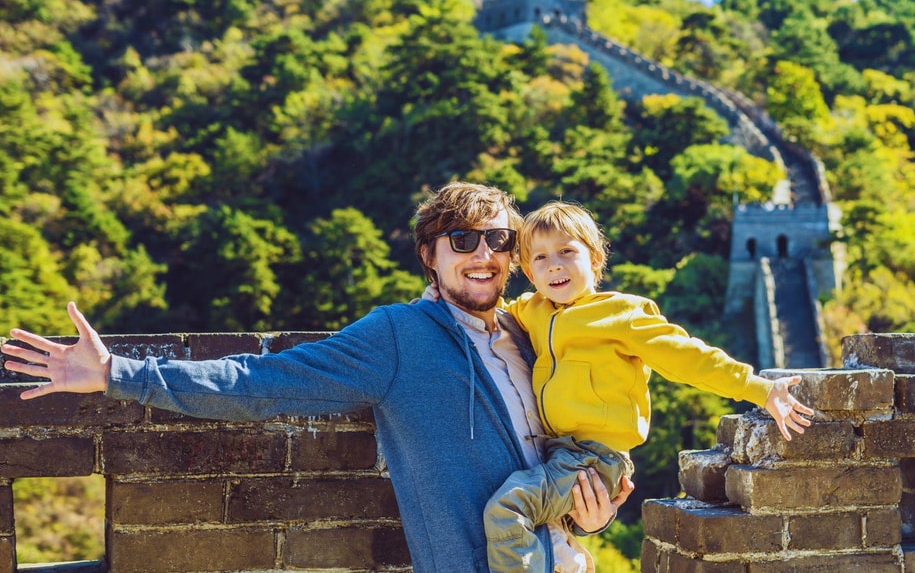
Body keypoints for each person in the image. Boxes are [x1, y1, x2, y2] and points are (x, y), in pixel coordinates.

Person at [2, 183, 632, 573]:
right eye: (461, 239)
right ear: (428, 256)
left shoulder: (528, 334)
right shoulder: (398, 337)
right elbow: (259, 381)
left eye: (499, 239)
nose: (483, 254)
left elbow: (549, 461)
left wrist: (591, 514)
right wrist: (118, 372)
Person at [480, 201, 816, 572]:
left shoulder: (621, 315)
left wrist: (757, 388)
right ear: (528, 271)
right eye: (540, 258)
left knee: (508, 508)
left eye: (566, 251)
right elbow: (486, 308)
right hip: (559, 454)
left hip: (597, 459)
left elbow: (686, 356)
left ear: (594, 258)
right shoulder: (534, 311)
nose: (554, 265)